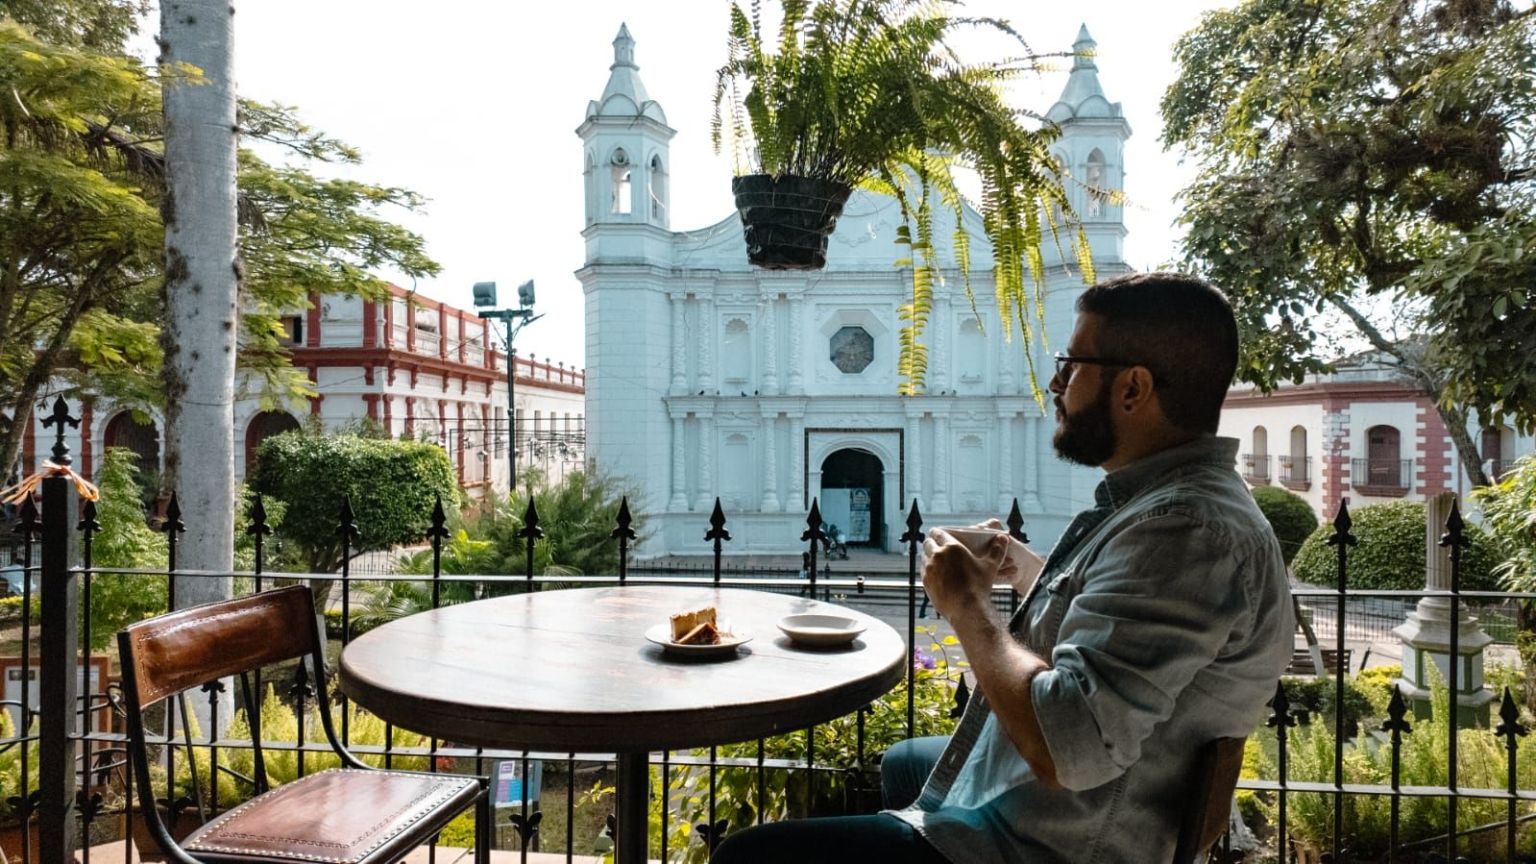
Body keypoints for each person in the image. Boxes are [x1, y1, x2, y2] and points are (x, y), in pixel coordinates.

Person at [711, 272, 1294, 863]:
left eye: (1072, 365)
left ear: (1133, 388)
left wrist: (966, 606)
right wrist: (1023, 569)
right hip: (1086, 811)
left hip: (1052, 844)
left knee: (751, 855)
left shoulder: (1185, 532)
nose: (1055, 383)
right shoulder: (1168, 507)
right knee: (903, 762)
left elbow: (1067, 749)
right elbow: (1115, 625)